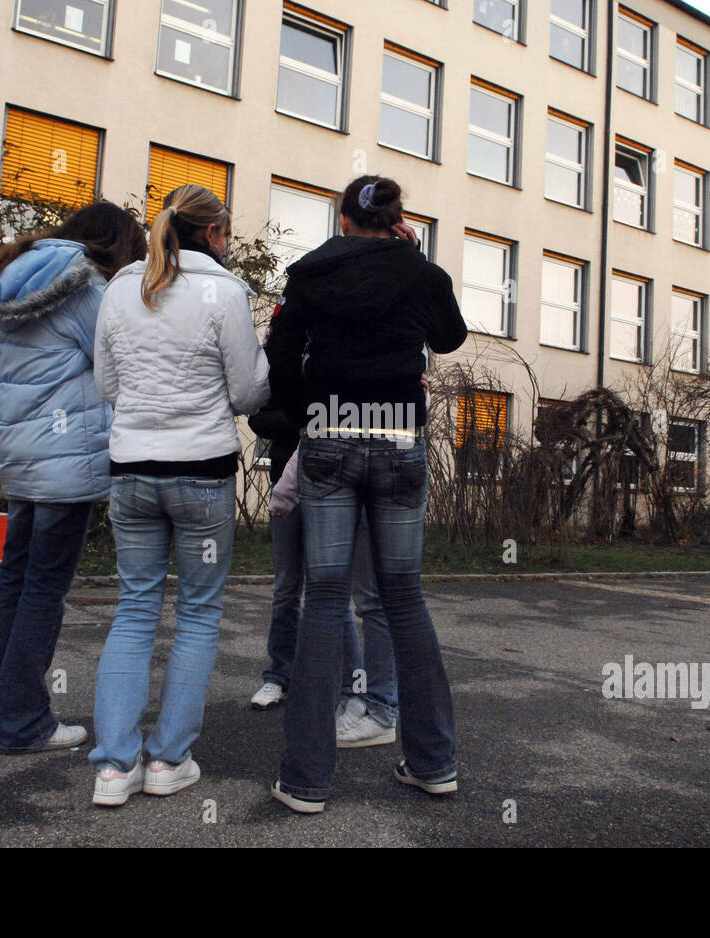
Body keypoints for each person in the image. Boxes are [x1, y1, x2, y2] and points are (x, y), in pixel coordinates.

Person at [265, 175, 468, 813]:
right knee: (402, 596)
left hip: (329, 435)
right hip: (400, 438)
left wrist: (303, 415)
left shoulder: (310, 271)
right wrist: (415, 256)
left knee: (324, 599)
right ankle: (434, 764)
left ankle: (305, 782)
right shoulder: (418, 273)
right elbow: (451, 338)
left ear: (344, 220)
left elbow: (279, 352)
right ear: (397, 220)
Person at [88, 184, 269, 806]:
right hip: (202, 473)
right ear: (215, 234)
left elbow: (106, 383)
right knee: (197, 614)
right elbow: (247, 394)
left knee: (134, 610)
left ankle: (112, 767)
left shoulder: (120, 288)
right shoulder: (224, 290)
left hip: (131, 471)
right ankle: (168, 760)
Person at [0, 201, 147, 754]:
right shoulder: (85, 284)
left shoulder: (8, 277)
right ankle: (23, 721)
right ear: (114, 245)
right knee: (44, 588)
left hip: (21, 455)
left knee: (12, 579)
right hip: (68, 461)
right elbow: (116, 362)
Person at [248, 416, 399, 749]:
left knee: (343, 595)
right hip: (302, 473)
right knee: (291, 589)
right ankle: (282, 678)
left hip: (343, 482)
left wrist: (317, 424)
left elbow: (411, 410)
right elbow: (261, 416)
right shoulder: (297, 368)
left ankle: (363, 698)